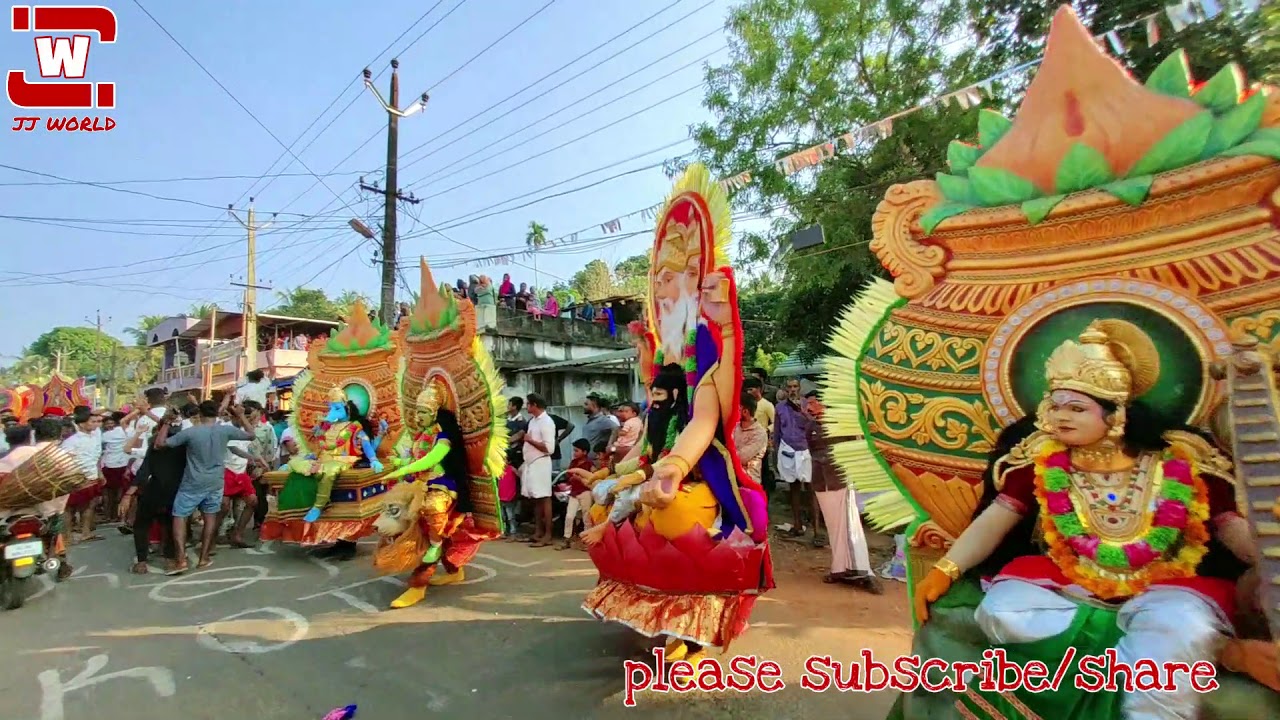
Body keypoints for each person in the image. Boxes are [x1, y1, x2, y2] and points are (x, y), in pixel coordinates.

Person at [912, 320, 1275, 717]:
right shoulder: (1037, 459)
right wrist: (946, 568)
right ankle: (1114, 653)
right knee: (1002, 610)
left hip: (1165, 586)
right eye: (1054, 405)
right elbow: (997, 517)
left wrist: (1268, 552)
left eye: (1077, 408)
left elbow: (1228, 525)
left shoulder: (1182, 461)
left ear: (1116, 414)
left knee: (1183, 627)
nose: (1060, 417)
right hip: (1070, 585)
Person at [164, 399, 255, 574]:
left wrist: (166, 423)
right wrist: (241, 416)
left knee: (180, 516)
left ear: (200, 413)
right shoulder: (225, 430)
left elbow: (162, 444)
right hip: (215, 481)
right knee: (210, 517)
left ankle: (181, 559)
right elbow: (251, 434)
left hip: (192, 481)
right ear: (218, 413)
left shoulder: (191, 432)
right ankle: (204, 558)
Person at [805, 390, 880, 592]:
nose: (809, 408)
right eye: (808, 404)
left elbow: (857, 445)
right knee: (833, 527)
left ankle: (863, 570)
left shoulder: (841, 424)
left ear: (823, 404)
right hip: (822, 482)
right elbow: (812, 450)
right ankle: (839, 568)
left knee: (849, 526)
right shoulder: (811, 426)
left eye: (812, 403)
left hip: (841, 479)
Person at [120, 409, 185, 574]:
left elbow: (144, 471)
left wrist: (128, 495)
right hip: (175, 491)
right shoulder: (184, 446)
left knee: (142, 525)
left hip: (154, 491)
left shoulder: (154, 446)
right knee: (171, 526)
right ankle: (170, 559)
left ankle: (141, 561)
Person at [774, 377, 816, 538]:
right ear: (785, 389)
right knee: (794, 489)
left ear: (799, 388)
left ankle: (816, 529)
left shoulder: (808, 406)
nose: (792, 389)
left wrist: (802, 411)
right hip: (788, 451)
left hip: (806, 451)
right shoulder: (779, 408)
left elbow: (814, 426)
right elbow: (777, 432)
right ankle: (797, 524)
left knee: (811, 489)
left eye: (795, 386)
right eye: (789, 387)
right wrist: (776, 455)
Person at [62, 406, 104, 542]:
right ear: (81, 424)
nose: (95, 424)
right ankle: (67, 536)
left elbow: (97, 458)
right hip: (75, 478)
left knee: (90, 505)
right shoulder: (71, 441)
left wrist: (100, 474)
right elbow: (65, 461)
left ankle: (85, 532)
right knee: (70, 508)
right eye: (92, 422)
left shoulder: (95, 437)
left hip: (92, 477)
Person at [521, 393, 556, 546]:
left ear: (534, 405)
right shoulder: (533, 421)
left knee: (544, 497)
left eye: (528, 404)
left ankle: (548, 534)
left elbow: (549, 448)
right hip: (531, 463)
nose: (526, 407)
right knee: (535, 498)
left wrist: (531, 441)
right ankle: (538, 531)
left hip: (541, 462)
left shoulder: (547, 422)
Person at [558, 438, 594, 550]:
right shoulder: (573, 463)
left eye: (577, 451)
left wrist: (579, 478)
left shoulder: (589, 464)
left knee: (586, 517)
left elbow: (593, 477)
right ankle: (567, 538)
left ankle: (588, 541)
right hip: (574, 493)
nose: (574, 453)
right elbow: (568, 476)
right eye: (574, 450)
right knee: (569, 516)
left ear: (585, 452)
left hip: (585, 492)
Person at [99, 411, 131, 523]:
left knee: (107, 493)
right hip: (123, 465)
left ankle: (108, 516)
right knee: (120, 493)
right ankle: (119, 516)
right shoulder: (128, 432)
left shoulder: (107, 435)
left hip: (108, 465)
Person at [734, 394, 768, 486]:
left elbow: (742, 458)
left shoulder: (759, 433)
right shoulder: (735, 428)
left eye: (737, 408)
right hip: (732, 479)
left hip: (749, 481)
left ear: (745, 411)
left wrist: (726, 453)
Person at [580, 393, 617, 458]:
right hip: (587, 458)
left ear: (594, 405)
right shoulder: (591, 420)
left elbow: (616, 428)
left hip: (596, 458)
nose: (584, 406)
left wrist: (609, 444)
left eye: (586, 404)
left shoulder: (602, 420)